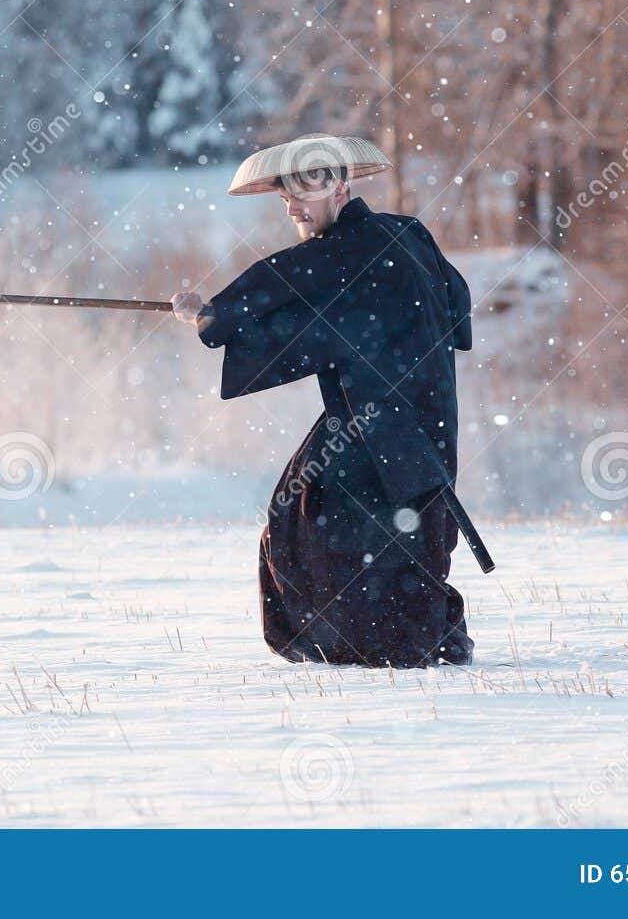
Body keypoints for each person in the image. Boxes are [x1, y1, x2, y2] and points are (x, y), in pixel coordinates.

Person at [171, 134, 477, 667]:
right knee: (357, 521)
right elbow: (457, 304)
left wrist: (212, 316)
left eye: (302, 191)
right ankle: (398, 639)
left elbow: (288, 299)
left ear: (340, 188)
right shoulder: (405, 234)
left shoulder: (344, 252)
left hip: (381, 426)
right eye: (284, 194)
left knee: (324, 520)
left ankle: (382, 643)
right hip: (420, 415)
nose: (291, 205)